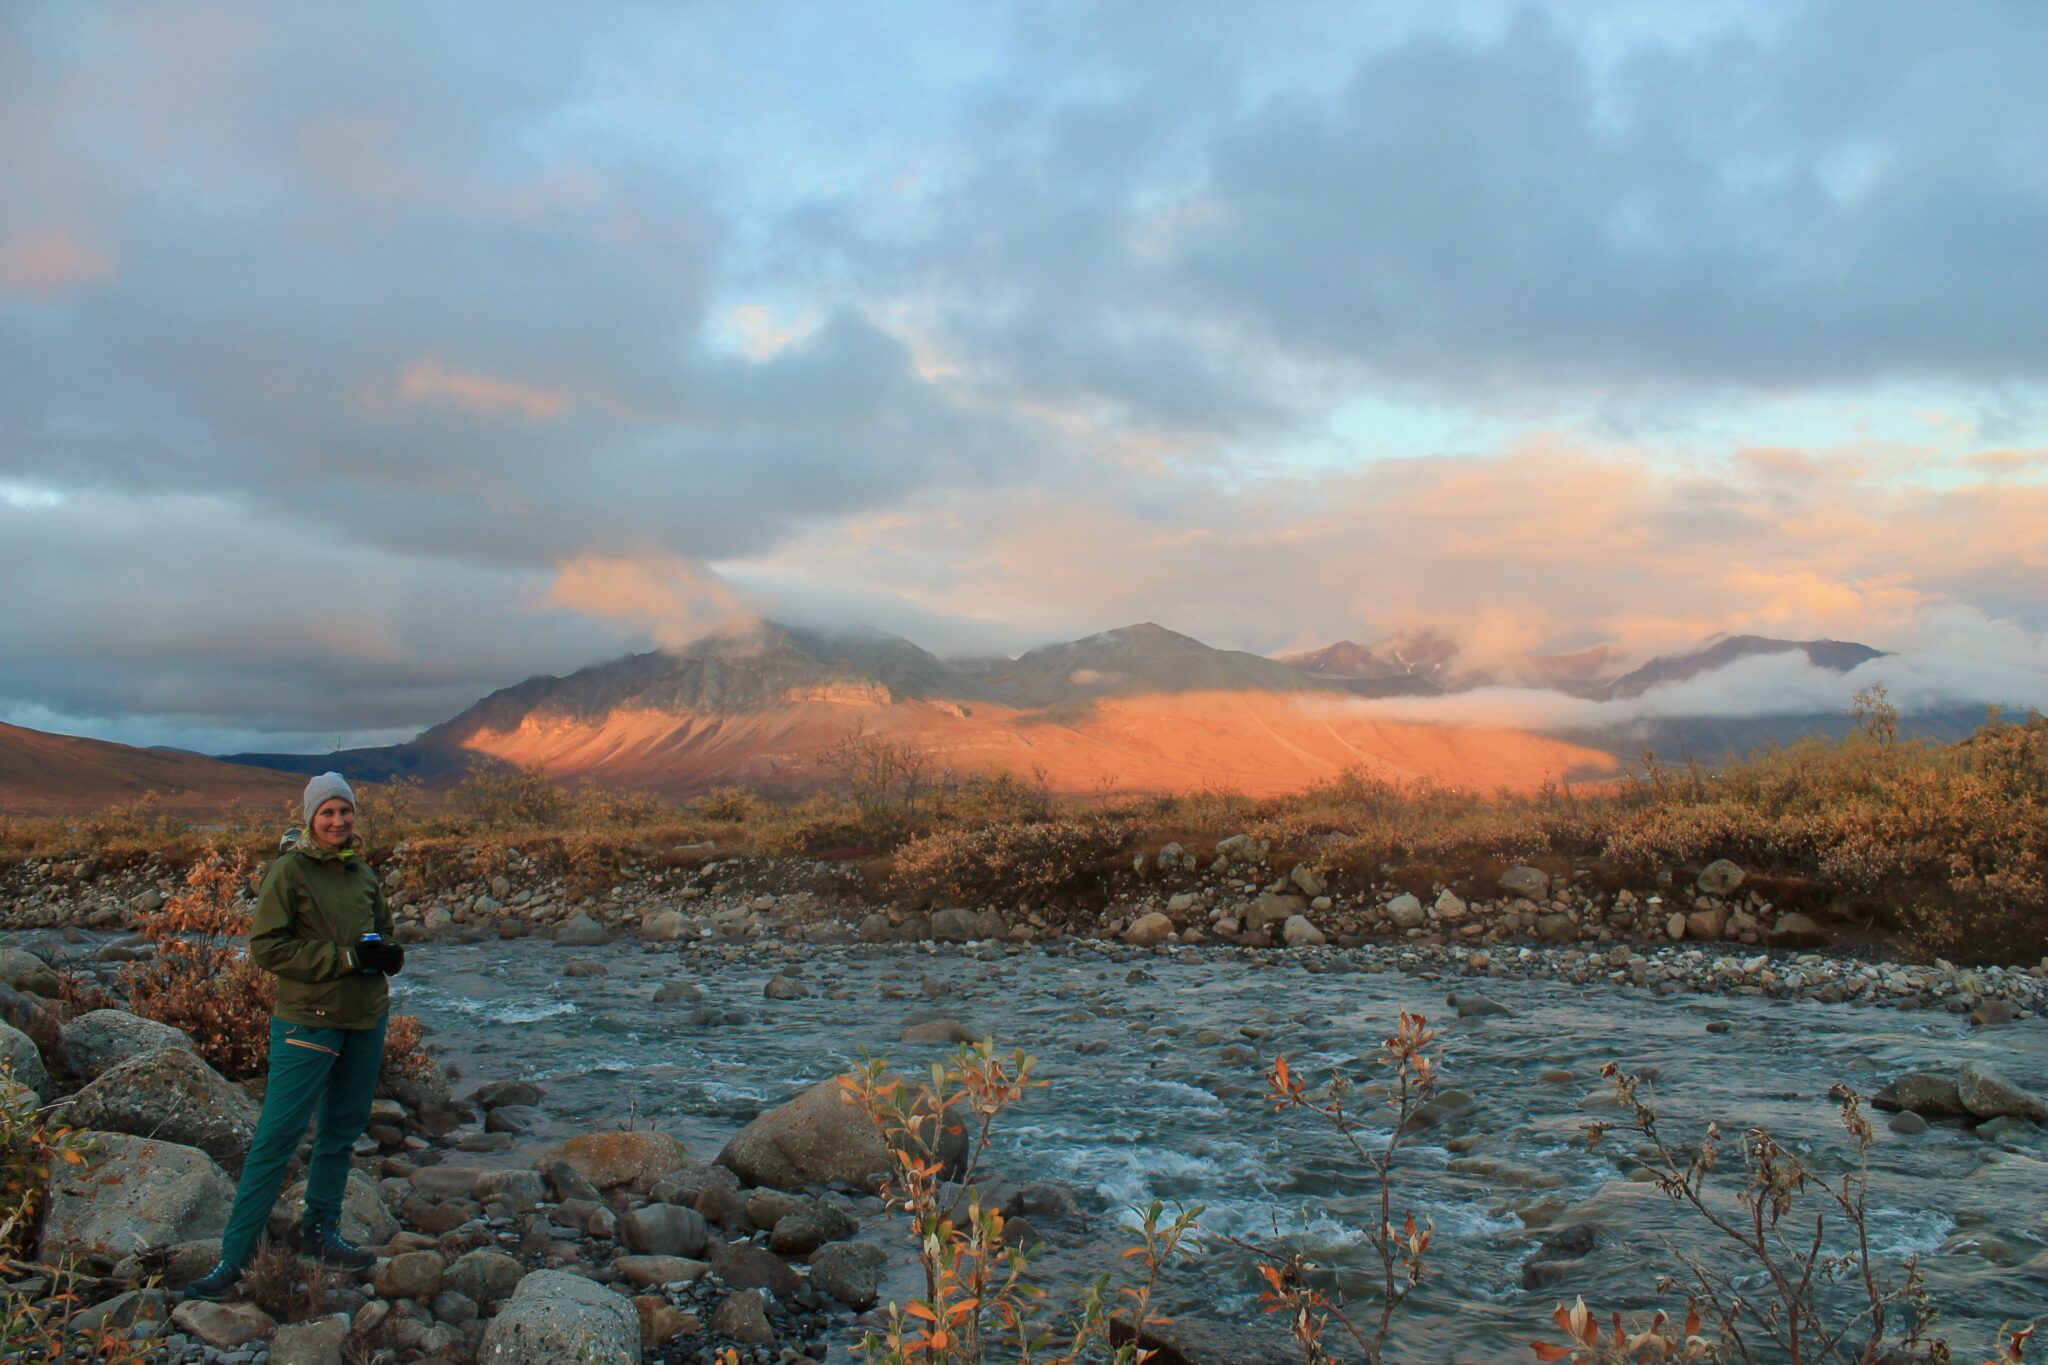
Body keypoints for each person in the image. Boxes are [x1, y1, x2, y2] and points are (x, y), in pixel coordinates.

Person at [185, 772, 405, 1301]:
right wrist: (345, 958)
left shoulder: (362, 872)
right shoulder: (288, 871)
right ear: (310, 817)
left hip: (365, 1017)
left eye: (345, 811)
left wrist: (388, 954)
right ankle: (234, 1258)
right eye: (327, 812)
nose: (338, 821)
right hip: (309, 1019)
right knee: (277, 1137)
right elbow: (268, 948)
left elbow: (383, 931)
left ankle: (321, 1232)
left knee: (341, 1130)